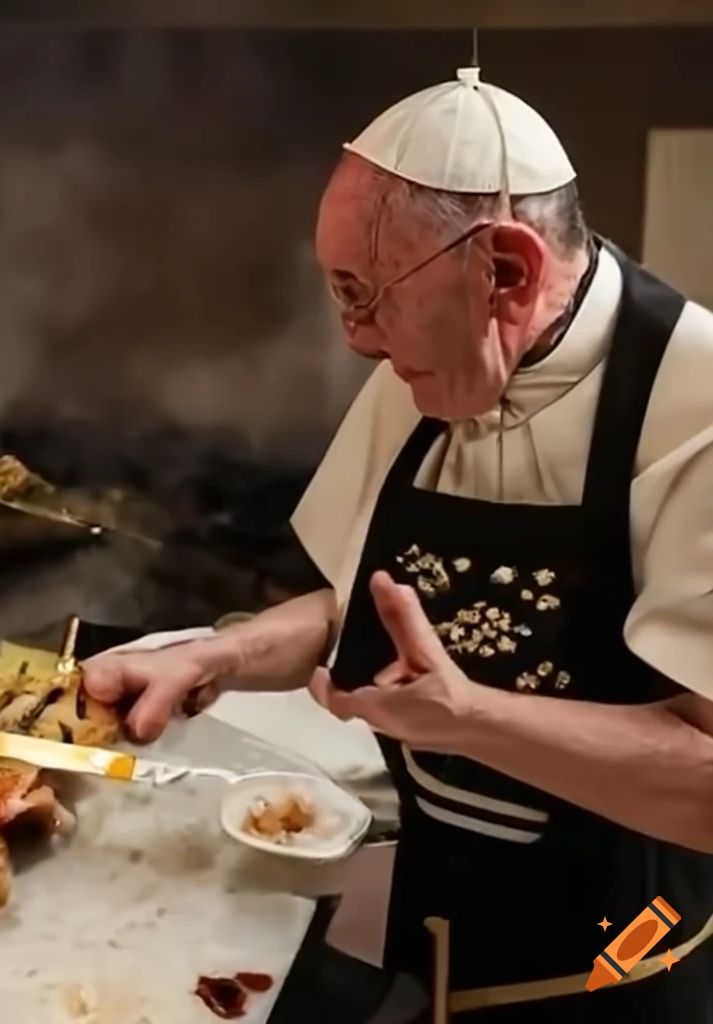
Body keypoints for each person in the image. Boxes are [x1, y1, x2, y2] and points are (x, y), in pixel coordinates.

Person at [82, 66, 713, 1022]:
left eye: (366, 294)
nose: (357, 341)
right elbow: (356, 602)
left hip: (618, 965)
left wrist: (472, 717)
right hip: (435, 919)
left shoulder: (695, 404)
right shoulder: (444, 353)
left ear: (505, 270)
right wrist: (220, 654)